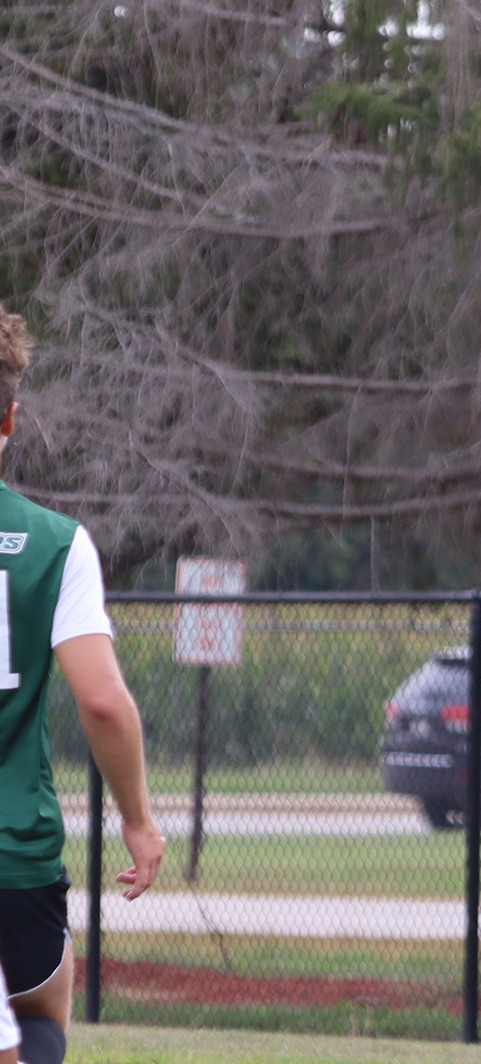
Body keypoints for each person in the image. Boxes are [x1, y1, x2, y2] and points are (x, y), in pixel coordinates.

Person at [0, 305, 165, 1064]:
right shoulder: (56, 544)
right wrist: (137, 818)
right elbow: (101, 699)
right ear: (11, 419)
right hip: (15, 861)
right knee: (38, 1023)